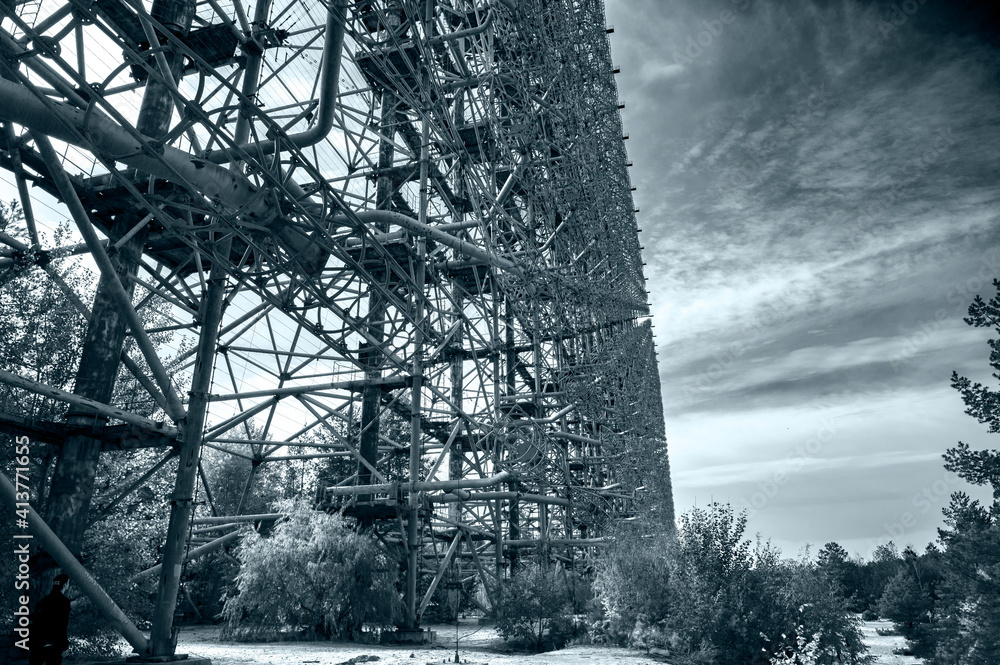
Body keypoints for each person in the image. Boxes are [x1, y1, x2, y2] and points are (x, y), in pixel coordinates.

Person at [30, 573, 71, 665]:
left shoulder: (43, 600)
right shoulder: (64, 602)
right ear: (65, 585)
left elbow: (35, 620)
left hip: (38, 644)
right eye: (68, 583)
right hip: (54, 646)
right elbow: (62, 625)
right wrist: (65, 646)